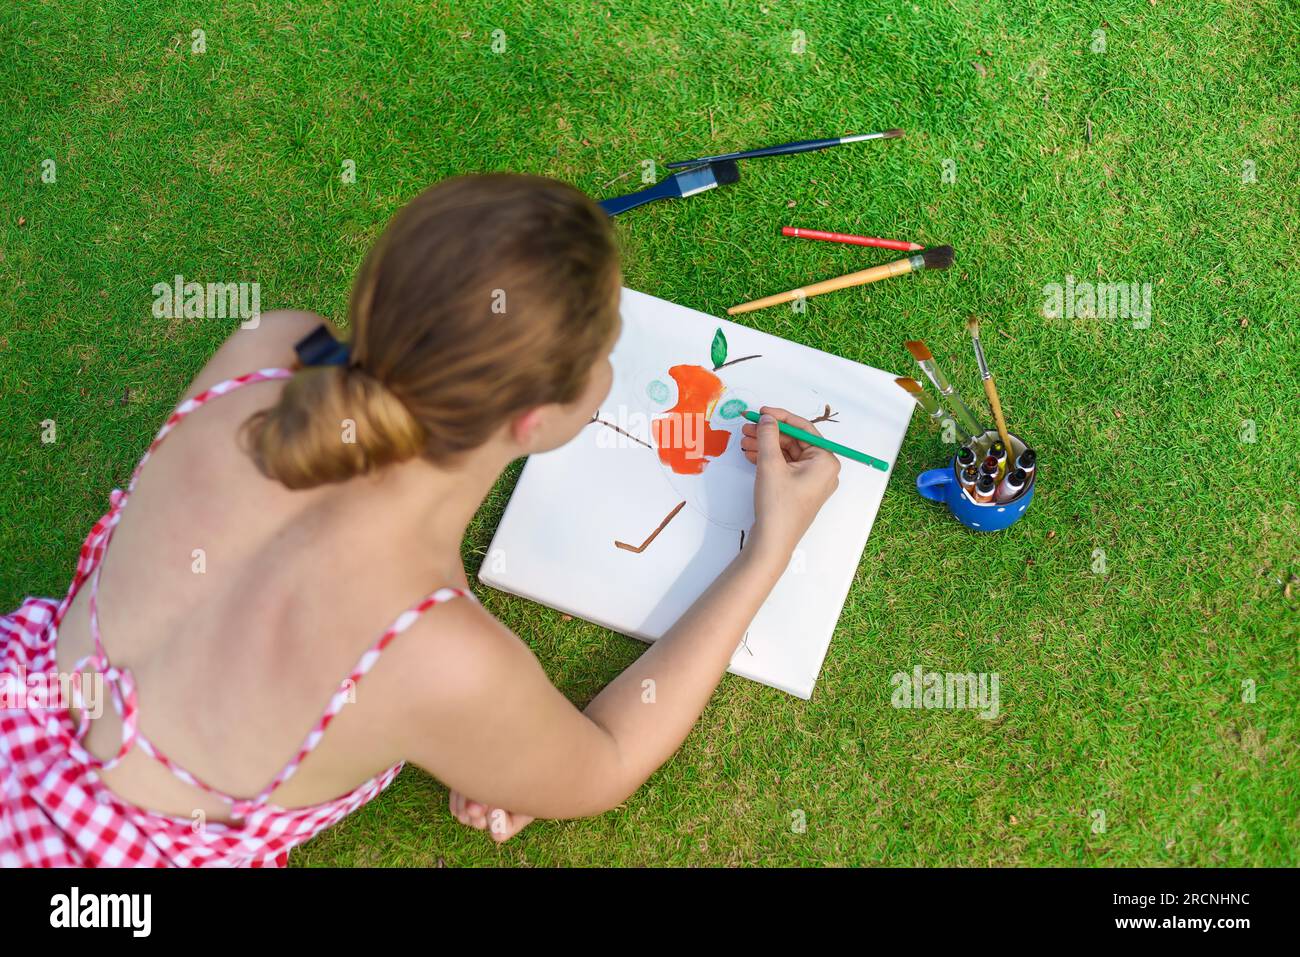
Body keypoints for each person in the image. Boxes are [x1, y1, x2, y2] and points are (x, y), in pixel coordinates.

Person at [0, 174, 839, 866]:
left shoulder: (270, 349)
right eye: (606, 351)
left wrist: (480, 725)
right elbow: (606, 763)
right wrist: (767, 549)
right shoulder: (436, 659)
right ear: (533, 420)